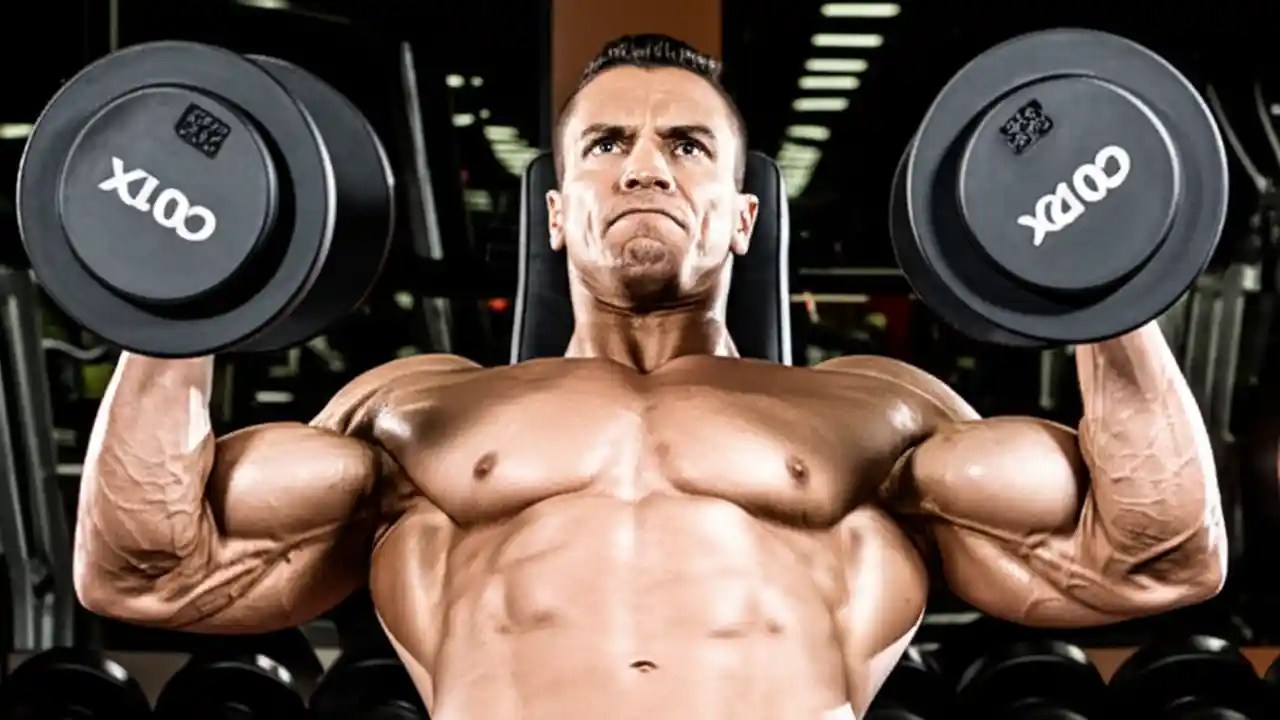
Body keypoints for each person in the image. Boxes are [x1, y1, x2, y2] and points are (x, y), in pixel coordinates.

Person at [72, 34, 1227, 720]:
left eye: (686, 148)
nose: (642, 169)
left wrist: (1097, 293)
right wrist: (173, 297)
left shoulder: (876, 416)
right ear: (558, 213)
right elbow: (149, 576)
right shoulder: (411, 413)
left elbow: (1151, 556)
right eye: (603, 146)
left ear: (739, 216)